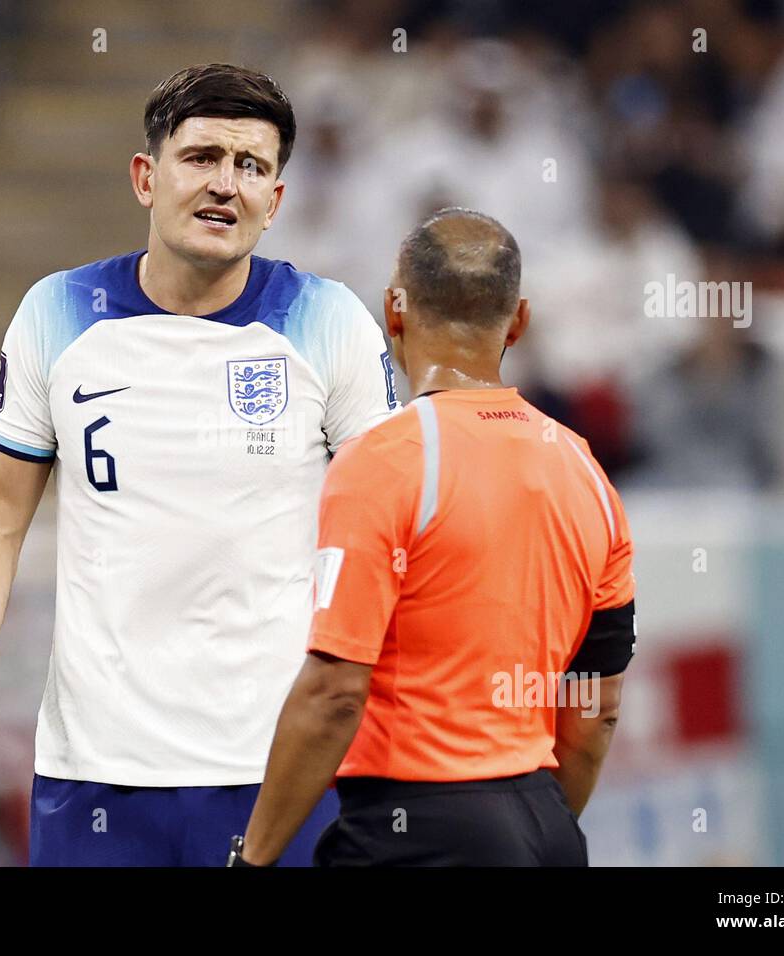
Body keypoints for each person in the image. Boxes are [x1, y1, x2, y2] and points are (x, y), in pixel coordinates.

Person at [0, 64, 398, 866]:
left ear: (276, 201)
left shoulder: (331, 322)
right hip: (95, 774)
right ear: (147, 178)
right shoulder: (58, 312)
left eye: (252, 167)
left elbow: (386, 529)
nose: (227, 184)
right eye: (203, 157)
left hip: (281, 769)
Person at [229, 208, 635, 867]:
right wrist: (532, 830)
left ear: (394, 310)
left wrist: (254, 858)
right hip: (547, 826)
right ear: (520, 320)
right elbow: (597, 709)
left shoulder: (386, 462)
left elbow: (334, 691)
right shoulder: (586, 471)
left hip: (414, 830)